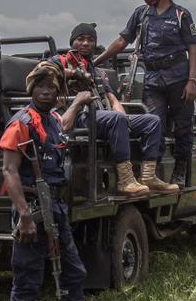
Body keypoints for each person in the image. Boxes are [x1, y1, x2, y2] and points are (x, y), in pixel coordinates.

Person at [0, 62, 89, 301]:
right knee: (28, 272)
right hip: (32, 208)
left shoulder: (51, 119)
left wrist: (81, 102)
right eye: (41, 86)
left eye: (52, 86)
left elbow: (64, 124)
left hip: (56, 206)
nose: (47, 91)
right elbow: (9, 170)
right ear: (31, 88)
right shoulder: (21, 123)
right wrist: (24, 215)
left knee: (73, 268)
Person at [47, 22, 177, 198]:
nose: (85, 43)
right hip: (77, 115)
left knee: (152, 121)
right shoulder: (61, 60)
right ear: (72, 42)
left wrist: (122, 115)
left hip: (98, 115)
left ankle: (148, 176)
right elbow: (43, 70)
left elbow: (112, 98)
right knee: (116, 119)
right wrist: (74, 74)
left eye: (90, 40)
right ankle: (125, 179)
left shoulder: (94, 69)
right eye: (81, 39)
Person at [96, 0, 196, 187]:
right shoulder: (141, 14)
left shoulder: (181, 15)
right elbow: (122, 41)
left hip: (179, 78)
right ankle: (153, 172)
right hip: (152, 79)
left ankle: (180, 170)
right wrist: (96, 61)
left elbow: (193, 49)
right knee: (155, 125)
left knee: (183, 126)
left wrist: (191, 81)